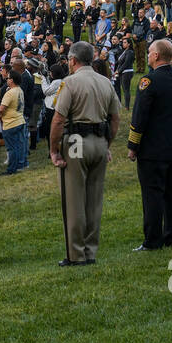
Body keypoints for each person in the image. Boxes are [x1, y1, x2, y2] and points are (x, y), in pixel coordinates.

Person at [49, 41, 120, 266]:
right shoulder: (105, 82)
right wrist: (107, 144)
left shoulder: (69, 83)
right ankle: (90, 251)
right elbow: (115, 117)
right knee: (94, 200)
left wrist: (54, 150)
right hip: (99, 139)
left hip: (77, 140)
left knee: (74, 199)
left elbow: (59, 119)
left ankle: (76, 254)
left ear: (72, 60)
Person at [127, 38, 172, 250]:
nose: (148, 55)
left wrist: (133, 146)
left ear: (155, 56)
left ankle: (153, 240)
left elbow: (139, 117)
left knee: (152, 194)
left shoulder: (149, 81)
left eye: (150, 52)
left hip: (153, 149)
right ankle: (171, 236)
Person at [0, 70, 26, 175]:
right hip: (19, 120)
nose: (6, 79)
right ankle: (21, 164)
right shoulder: (20, 90)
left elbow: (1, 108)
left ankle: (11, 169)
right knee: (19, 145)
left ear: (12, 80)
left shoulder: (9, 93)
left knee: (11, 148)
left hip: (10, 123)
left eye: (8, 78)